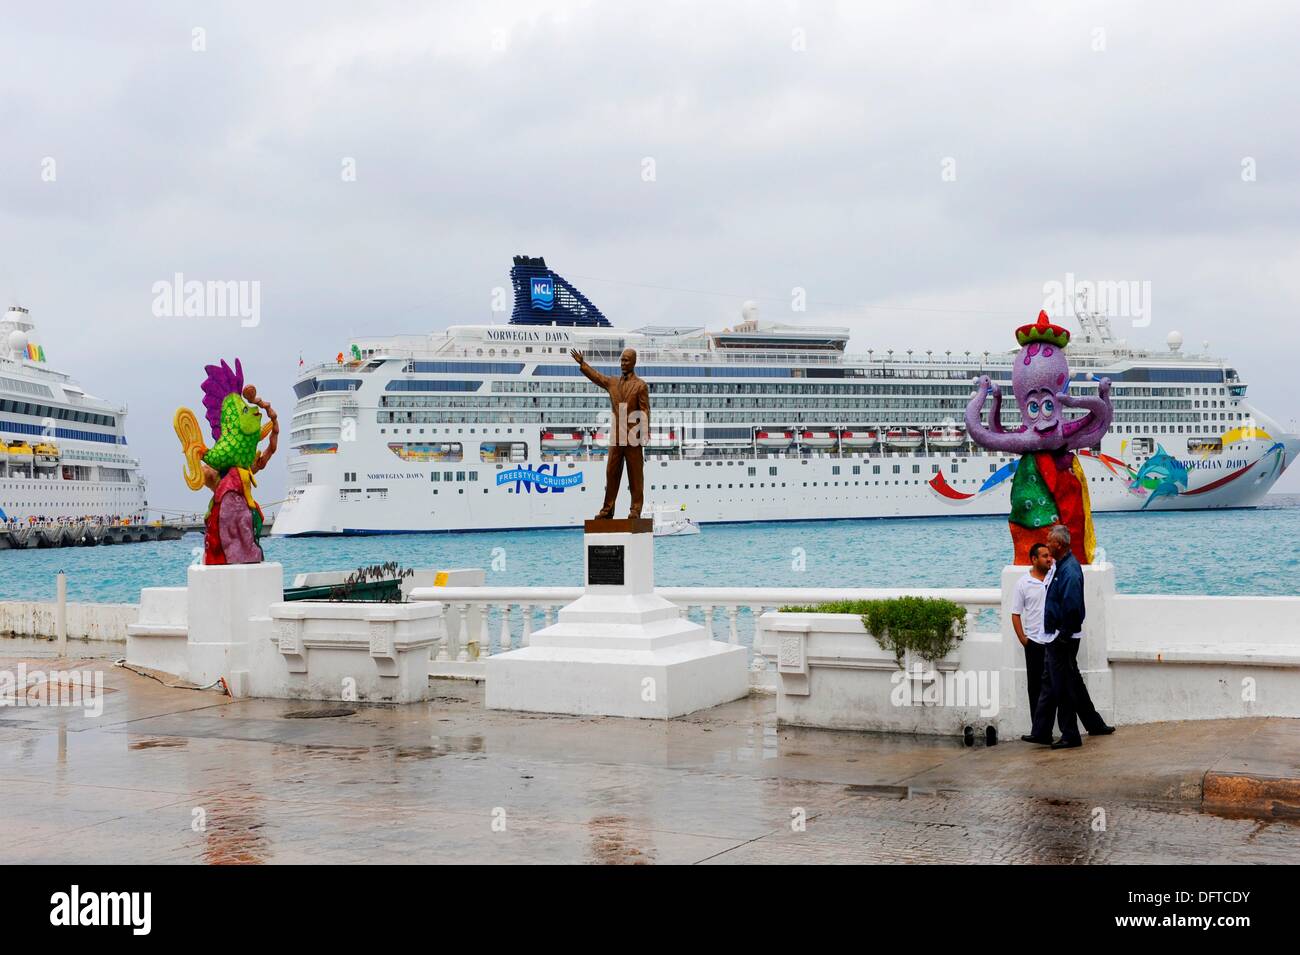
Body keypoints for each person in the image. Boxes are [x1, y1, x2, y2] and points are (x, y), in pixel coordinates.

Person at [1028, 524, 1116, 749]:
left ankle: (1070, 735)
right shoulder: (1060, 566)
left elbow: (1072, 606)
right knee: (1061, 682)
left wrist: (1063, 635)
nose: (1047, 545)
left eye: (1050, 542)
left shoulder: (1069, 571)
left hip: (1062, 636)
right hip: (1055, 635)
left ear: (1059, 544)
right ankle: (1087, 725)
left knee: (1062, 686)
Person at [570, 347, 650, 519]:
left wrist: (645, 432)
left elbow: (644, 410)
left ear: (634, 362)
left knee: (635, 476)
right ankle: (607, 510)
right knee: (611, 474)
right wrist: (583, 365)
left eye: (626, 360)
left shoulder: (640, 385)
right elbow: (597, 377)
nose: (622, 363)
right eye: (621, 360)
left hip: (633, 437)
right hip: (616, 437)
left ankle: (635, 510)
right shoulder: (612, 382)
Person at [1012, 542, 1055, 738]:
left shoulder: (1054, 576)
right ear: (1034, 559)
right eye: (1044, 556)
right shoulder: (1023, 583)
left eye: (1049, 555)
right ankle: (1038, 731)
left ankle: (1054, 728)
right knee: (1035, 688)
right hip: (1034, 643)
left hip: (1053, 641)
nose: (1049, 559)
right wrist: (1023, 639)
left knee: (1056, 686)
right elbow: (1016, 614)